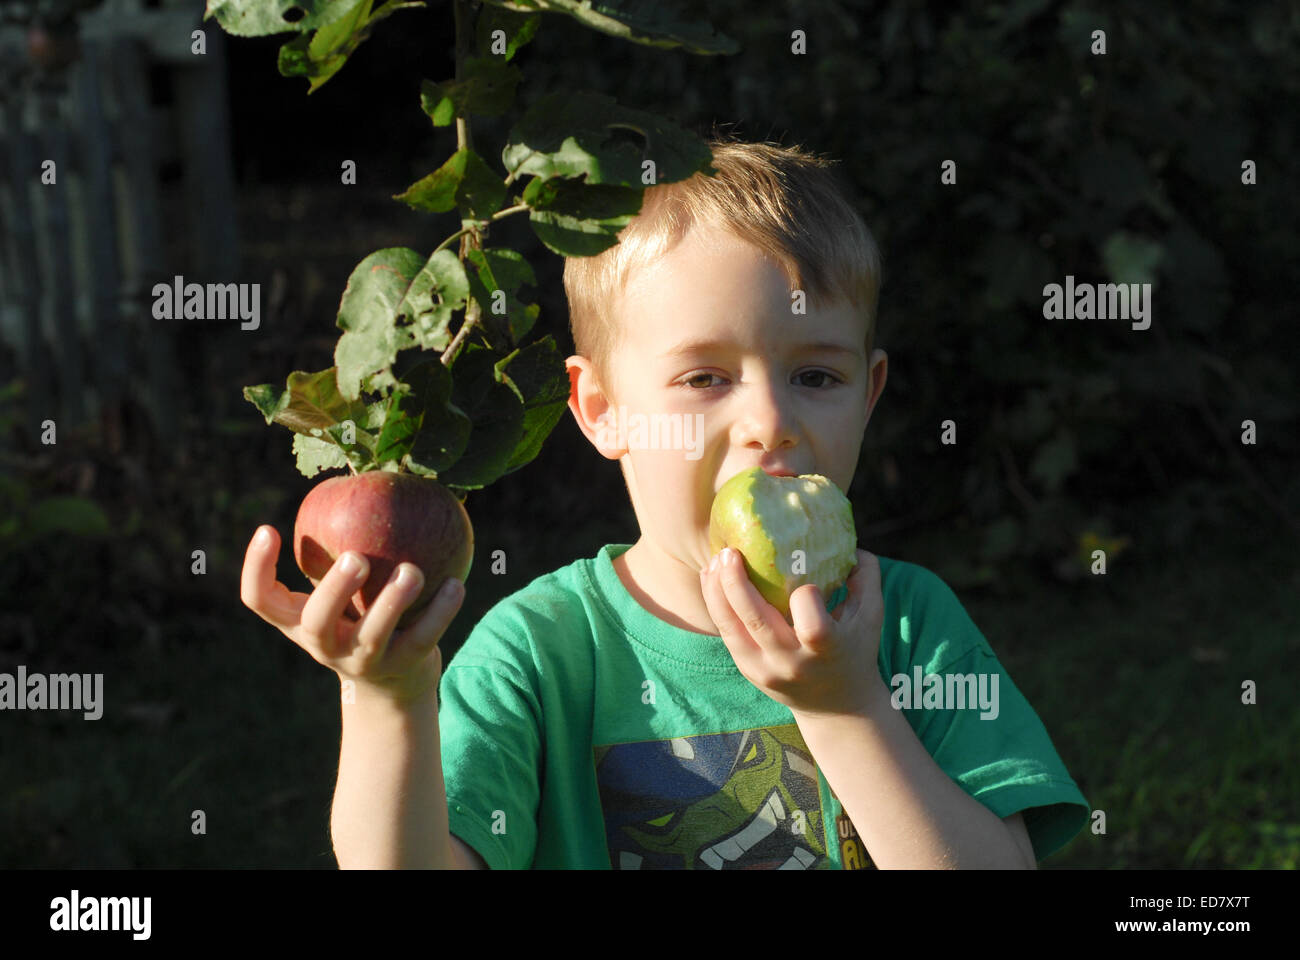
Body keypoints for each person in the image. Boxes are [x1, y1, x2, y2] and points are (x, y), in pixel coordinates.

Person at [240, 133, 1089, 869]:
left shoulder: (903, 626)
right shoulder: (540, 655)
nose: (768, 423)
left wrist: (850, 707)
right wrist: (386, 698)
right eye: (704, 378)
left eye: (816, 376)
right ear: (602, 411)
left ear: (868, 396)